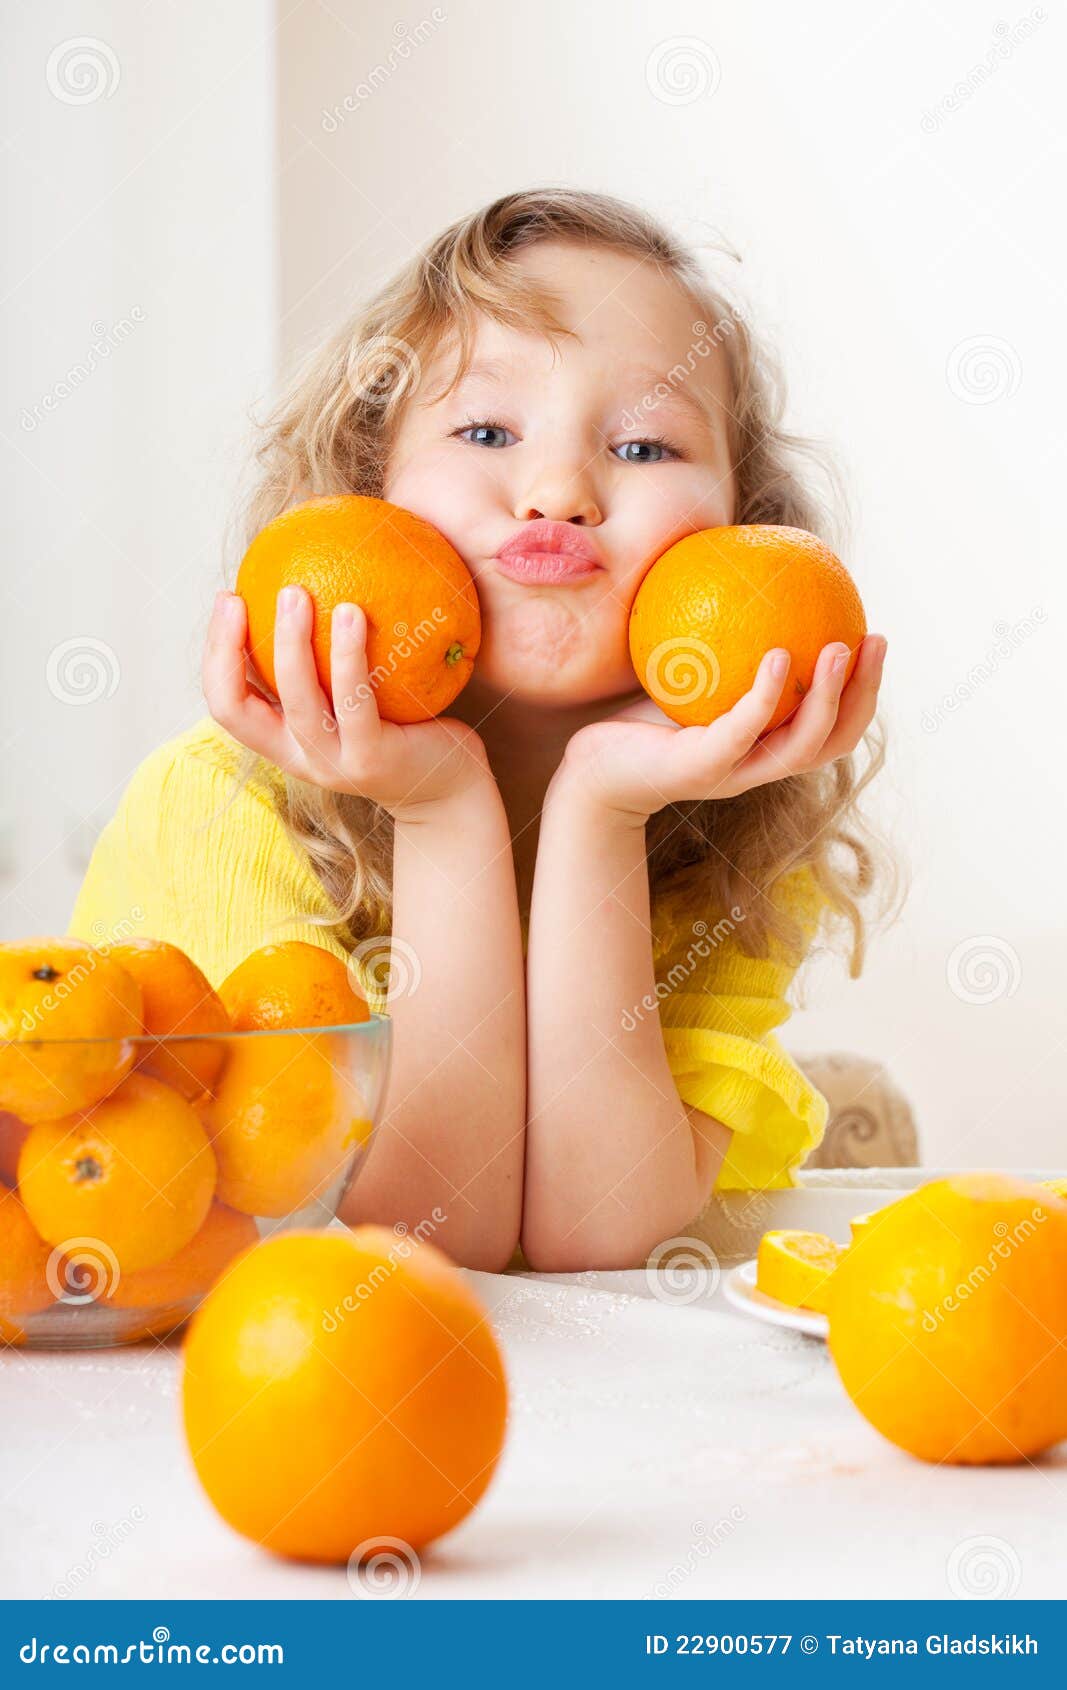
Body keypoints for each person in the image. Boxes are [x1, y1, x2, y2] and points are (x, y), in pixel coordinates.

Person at [70, 188, 897, 1273]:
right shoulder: (224, 806)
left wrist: (602, 804)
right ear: (365, 490)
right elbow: (425, 1230)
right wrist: (440, 800)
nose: (557, 490)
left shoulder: (730, 844)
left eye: (645, 445)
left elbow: (599, 1240)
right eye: (486, 430)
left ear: (748, 530)